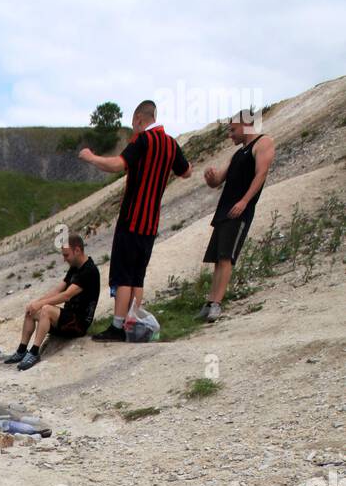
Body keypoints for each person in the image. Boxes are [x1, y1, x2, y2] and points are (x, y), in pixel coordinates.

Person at [79, 100, 191, 341]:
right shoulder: (171, 144)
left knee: (123, 276)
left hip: (131, 218)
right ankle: (133, 324)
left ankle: (118, 327)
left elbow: (118, 165)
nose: (133, 128)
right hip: (151, 222)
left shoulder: (142, 141)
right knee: (138, 275)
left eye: (133, 124)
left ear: (140, 118)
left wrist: (91, 158)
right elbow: (186, 171)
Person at [199, 111, 275, 321]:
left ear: (246, 125)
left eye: (233, 130)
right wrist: (210, 177)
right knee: (217, 258)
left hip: (239, 211)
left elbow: (261, 174)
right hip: (225, 211)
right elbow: (217, 181)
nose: (230, 135)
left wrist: (244, 202)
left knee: (226, 258)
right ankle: (209, 302)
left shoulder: (264, 142)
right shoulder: (237, 154)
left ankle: (217, 304)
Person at [2, 234, 101, 369]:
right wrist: (35, 303)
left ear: (77, 250)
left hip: (78, 324)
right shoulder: (75, 268)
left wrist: (41, 304)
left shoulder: (89, 271)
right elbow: (57, 290)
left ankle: (34, 352)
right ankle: (21, 350)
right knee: (32, 309)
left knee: (46, 309)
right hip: (67, 318)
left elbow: (66, 295)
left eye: (66, 255)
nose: (64, 259)